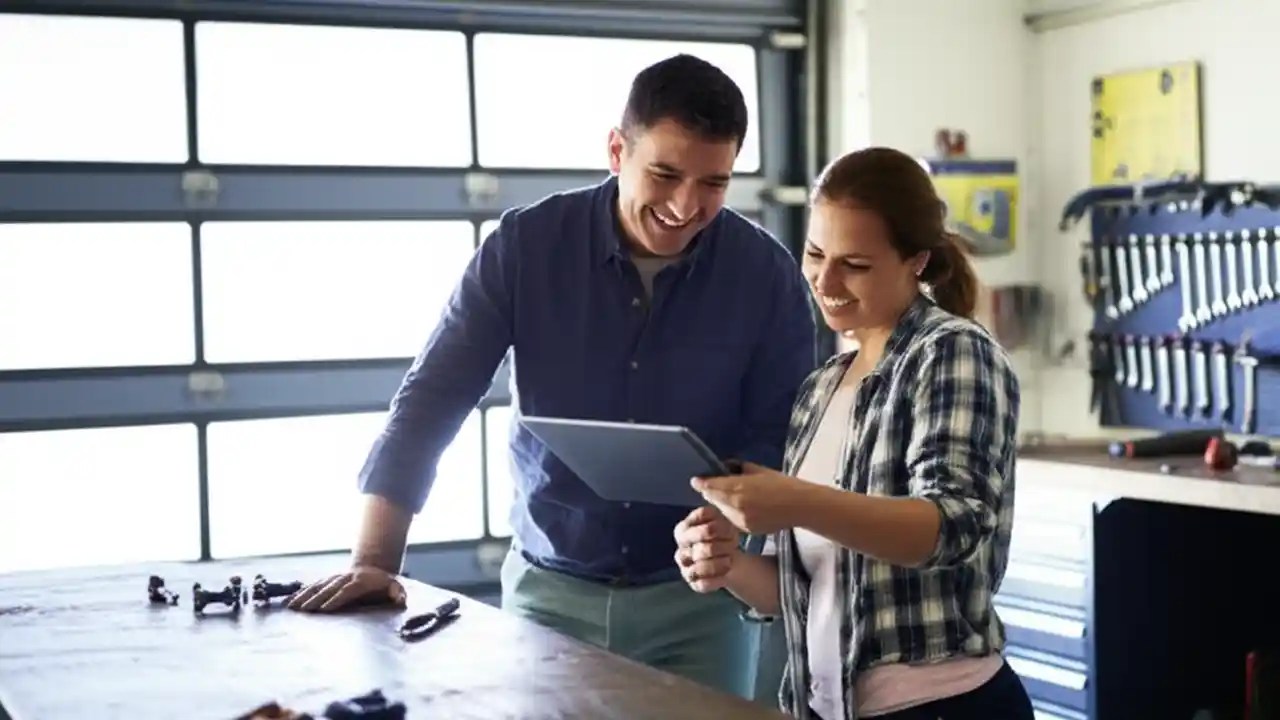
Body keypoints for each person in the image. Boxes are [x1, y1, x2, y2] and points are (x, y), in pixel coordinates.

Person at [287, 53, 817, 699]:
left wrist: (728, 527)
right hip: (550, 597)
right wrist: (374, 562)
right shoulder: (524, 247)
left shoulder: (766, 274)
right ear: (617, 150)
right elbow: (432, 400)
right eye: (665, 173)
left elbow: (780, 431)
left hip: (702, 606)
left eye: (714, 183)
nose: (686, 205)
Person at [673, 146, 1032, 719]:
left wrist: (795, 501)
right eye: (815, 253)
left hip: (944, 707)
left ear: (915, 260)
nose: (825, 279)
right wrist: (728, 565)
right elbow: (802, 590)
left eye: (855, 264)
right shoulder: (821, 388)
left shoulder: (953, 352)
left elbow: (952, 523)